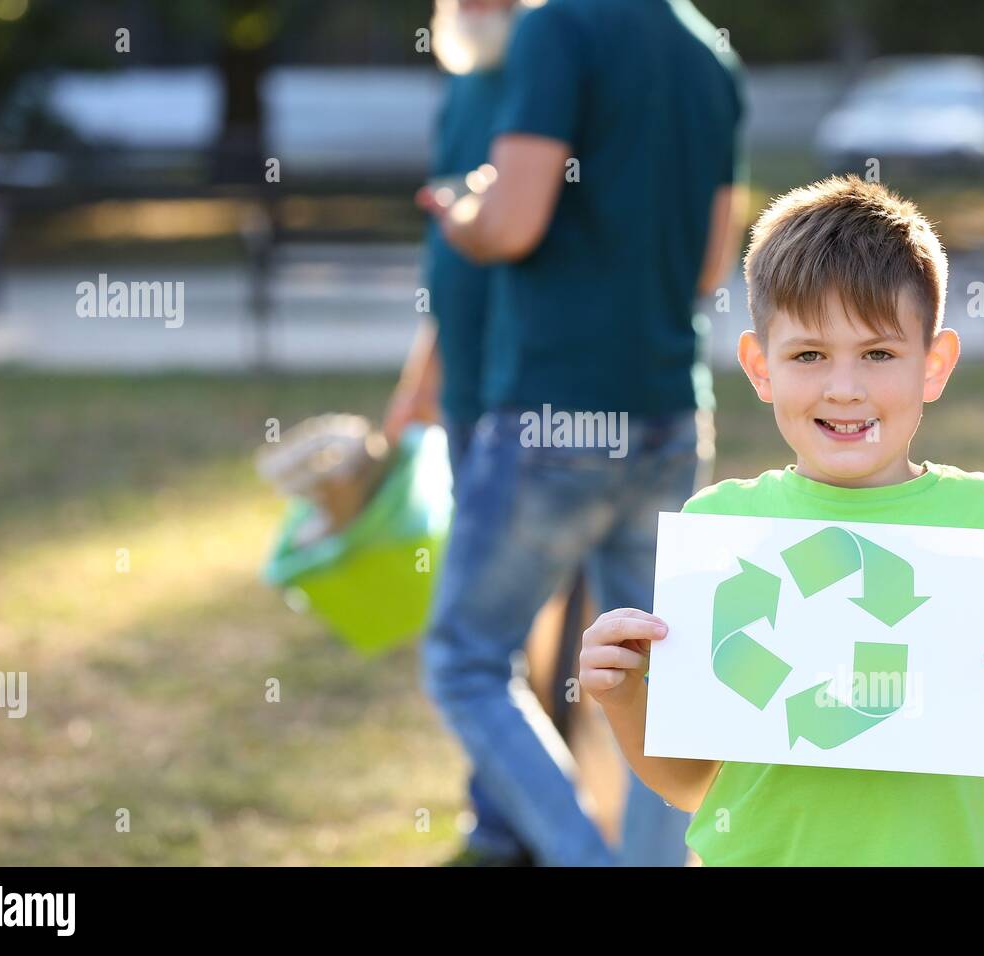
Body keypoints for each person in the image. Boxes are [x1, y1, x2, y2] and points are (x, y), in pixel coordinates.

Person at [580, 175, 984, 865]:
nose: (845, 387)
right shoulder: (723, 528)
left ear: (934, 365)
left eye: (879, 354)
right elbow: (687, 783)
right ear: (760, 367)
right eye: (808, 356)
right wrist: (621, 698)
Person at [416, 0, 745, 865]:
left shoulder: (557, 28)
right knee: (661, 685)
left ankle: (579, 856)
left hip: (555, 409)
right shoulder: (709, 54)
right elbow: (713, 263)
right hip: (673, 408)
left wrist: (463, 216)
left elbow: (514, 221)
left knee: (466, 661)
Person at [385, 0, 536, 867]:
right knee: (497, 620)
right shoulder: (460, 88)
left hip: (527, 396)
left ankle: (510, 819)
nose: (477, 9)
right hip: (473, 395)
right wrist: (421, 382)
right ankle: (506, 810)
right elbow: (448, 244)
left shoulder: (537, 79)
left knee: (493, 623)